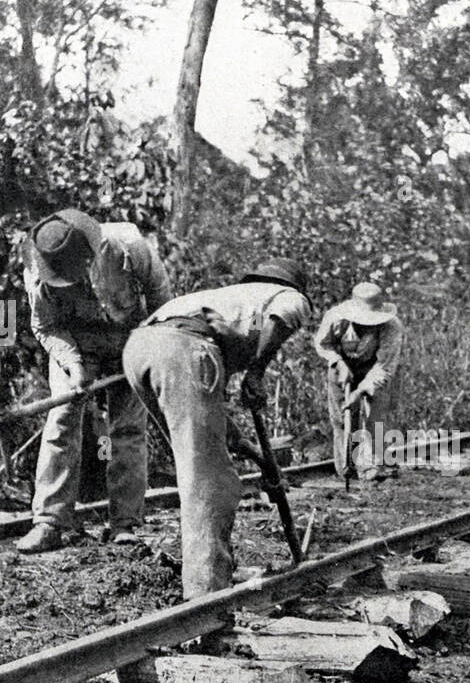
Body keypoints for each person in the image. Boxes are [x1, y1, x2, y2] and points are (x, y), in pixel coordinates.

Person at [121, 258, 311, 602]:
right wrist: (256, 373)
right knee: (211, 484)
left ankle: (206, 573)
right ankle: (206, 597)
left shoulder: (228, 301)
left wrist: (259, 458)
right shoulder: (287, 296)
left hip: (140, 348)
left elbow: (216, 423)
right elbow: (282, 318)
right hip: (183, 350)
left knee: (196, 466)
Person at [17, 209, 172, 554]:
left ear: (90, 254)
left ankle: (125, 525)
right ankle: (50, 522)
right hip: (76, 344)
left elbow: (164, 311)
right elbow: (45, 327)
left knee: (128, 429)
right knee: (61, 419)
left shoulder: (132, 249)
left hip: (130, 340)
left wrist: (147, 356)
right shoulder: (37, 270)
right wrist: (73, 365)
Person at [313, 281, 405, 480]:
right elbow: (323, 345)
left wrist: (360, 391)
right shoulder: (336, 318)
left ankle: (381, 465)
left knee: (377, 417)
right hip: (341, 365)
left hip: (375, 368)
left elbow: (385, 366)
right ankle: (346, 467)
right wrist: (338, 363)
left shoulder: (392, 326)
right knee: (342, 418)